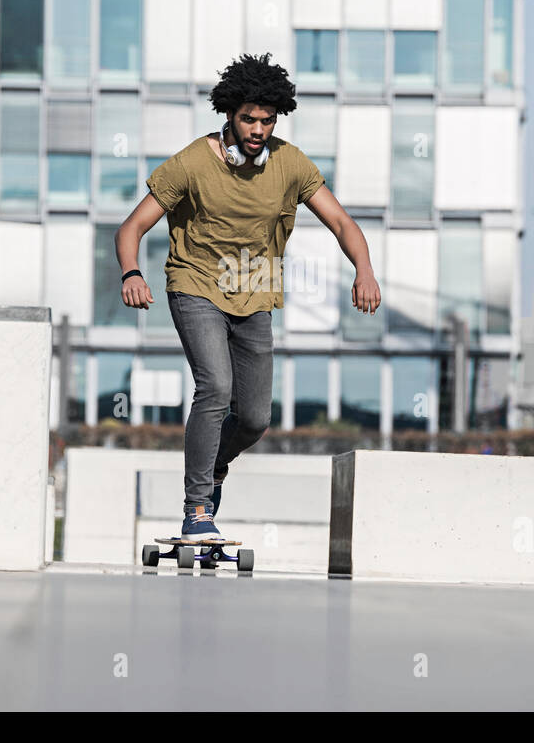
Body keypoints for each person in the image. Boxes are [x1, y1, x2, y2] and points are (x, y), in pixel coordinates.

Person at [114, 52, 381, 542]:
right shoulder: (193, 162)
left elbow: (341, 221)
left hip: (255, 294)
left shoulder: (290, 164)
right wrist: (132, 271)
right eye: (248, 119)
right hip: (195, 286)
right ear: (229, 116)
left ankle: (212, 467)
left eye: (267, 120)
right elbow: (132, 225)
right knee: (214, 386)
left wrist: (364, 269)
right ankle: (198, 509)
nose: (258, 129)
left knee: (256, 417)